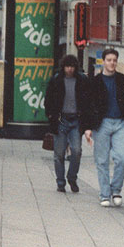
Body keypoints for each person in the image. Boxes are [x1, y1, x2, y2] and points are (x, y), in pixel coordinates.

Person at [82, 48, 124, 207]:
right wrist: (87, 128)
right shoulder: (94, 82)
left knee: (123, 158)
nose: (112, 63)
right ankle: (105, 194)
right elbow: (87, 106)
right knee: (101, 160)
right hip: (101, 124)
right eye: (109, 60)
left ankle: (116, 189)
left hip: (120, 123)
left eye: (114, 60)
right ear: (103, 61)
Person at [44, 54, 90, 193]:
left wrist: (86, 120)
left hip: (76, 119)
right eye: (67, 66)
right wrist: (51, 115)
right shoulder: (56, 79)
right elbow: (48, 99)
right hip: (60, 120)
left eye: (72, 67)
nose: (69, 69)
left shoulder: (82, 80)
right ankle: (60, 182)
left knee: (76, 151)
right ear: (63, 67)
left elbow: (87, 99)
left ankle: (72, 177)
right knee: (59, 154)